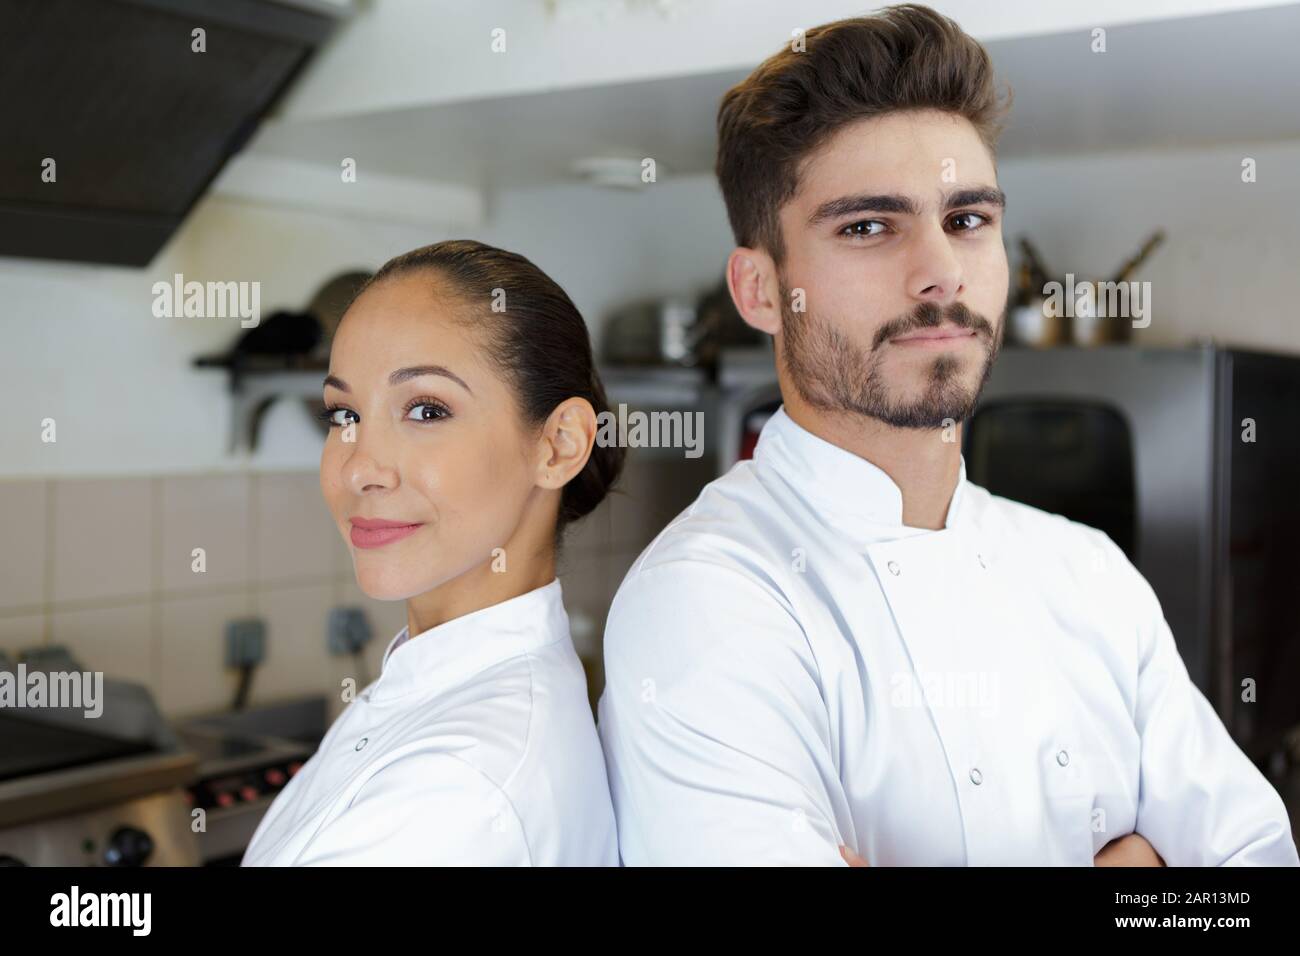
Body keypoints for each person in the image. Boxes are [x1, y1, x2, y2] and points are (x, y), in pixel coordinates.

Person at [596, 4, 1299, 866]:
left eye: (967, 219)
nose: (939, 272)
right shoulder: (705, 604)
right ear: (760, 291)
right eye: (867, 226)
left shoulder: (1087, 575)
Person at [243, 239, 622, 865]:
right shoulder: (438, 694)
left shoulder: (460, 789)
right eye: (343, 415)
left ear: (558, 445)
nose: (361, 466)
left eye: (425, 409)